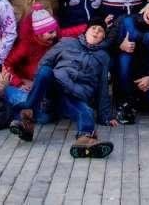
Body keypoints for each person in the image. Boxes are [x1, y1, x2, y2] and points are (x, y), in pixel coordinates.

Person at [9, 17, 118, 159]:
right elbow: (44, 63)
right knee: (45, 72)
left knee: (86, 112)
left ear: (103, 36)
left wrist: (106, 116)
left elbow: (103, 86)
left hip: (75, 95)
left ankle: (85, 140)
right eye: (93, 28)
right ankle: (27, 119)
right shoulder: (67, 43)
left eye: (100, 30)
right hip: (55, 86)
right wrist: (37, 86)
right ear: (86, 31)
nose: (96, 32)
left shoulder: (103, 57)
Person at [110, 0, 149, 123]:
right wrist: (120, 45)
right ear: (144, 9)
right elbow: (107, 43)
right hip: (123, 72)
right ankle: (124, 98)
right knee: (124, 59)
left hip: (143, 73)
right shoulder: (125, 20)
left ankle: (133, 101)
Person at [2, 5, 59, 119]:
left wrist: (90, 28)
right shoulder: (26, 46)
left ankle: (25, 114)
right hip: (22, 88)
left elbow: (71, 32)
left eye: (55, 31)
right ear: (39, 33)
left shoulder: (54, 42)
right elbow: (7, 65)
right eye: (51, 32)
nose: (55, 35)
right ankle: (20, 114)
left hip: (41, 91)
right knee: (16, 96)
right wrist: (19, 82)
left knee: (45, 117)